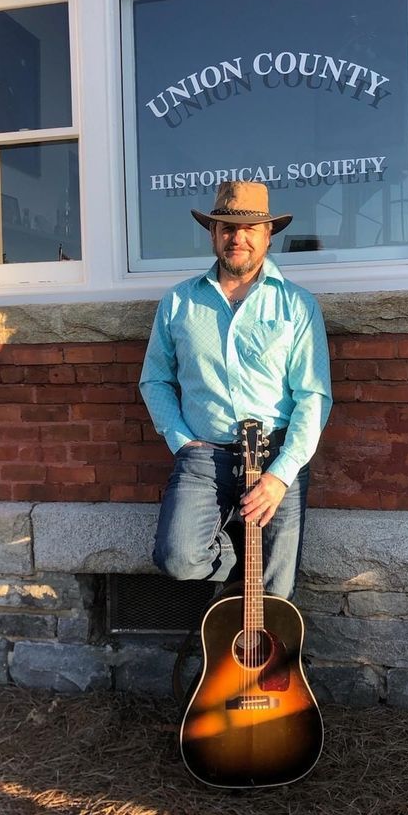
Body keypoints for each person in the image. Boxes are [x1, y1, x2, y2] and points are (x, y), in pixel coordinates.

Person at [139, 180, 332, 598]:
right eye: (226, 228)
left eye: (249, 229)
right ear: (212, 234)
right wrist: (181, 441)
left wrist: (281, 476)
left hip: (277, 457)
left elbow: (313, 396)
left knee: (275, 594)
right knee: (178, 557)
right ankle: (244, 566)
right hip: (202, 457)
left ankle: (259, 618)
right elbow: (154, 378)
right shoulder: (178, 302)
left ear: (268, 235)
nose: (237, 237)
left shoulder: (297, 305)